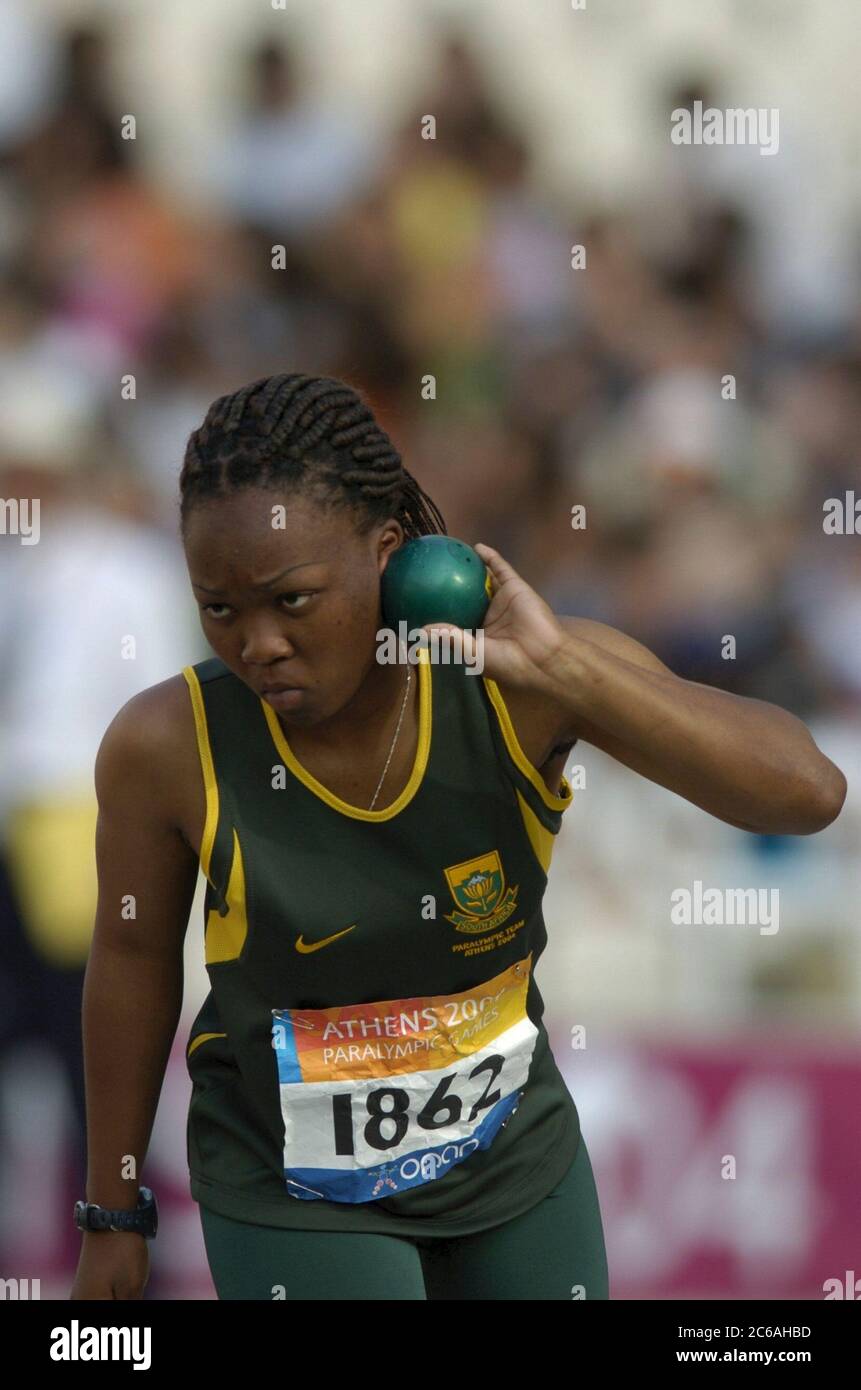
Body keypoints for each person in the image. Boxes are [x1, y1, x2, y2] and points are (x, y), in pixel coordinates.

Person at [70, 373, 846, 1301]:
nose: (259, 644)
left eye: (294, 600)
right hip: (292, 1188)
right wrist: (111, 1215)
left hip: (513, 1163)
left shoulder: (513, 683)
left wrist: (569, 673)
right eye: (221, 608)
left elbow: (807, 793)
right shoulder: (166, 745)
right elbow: (130, 952)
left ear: (390, 555)